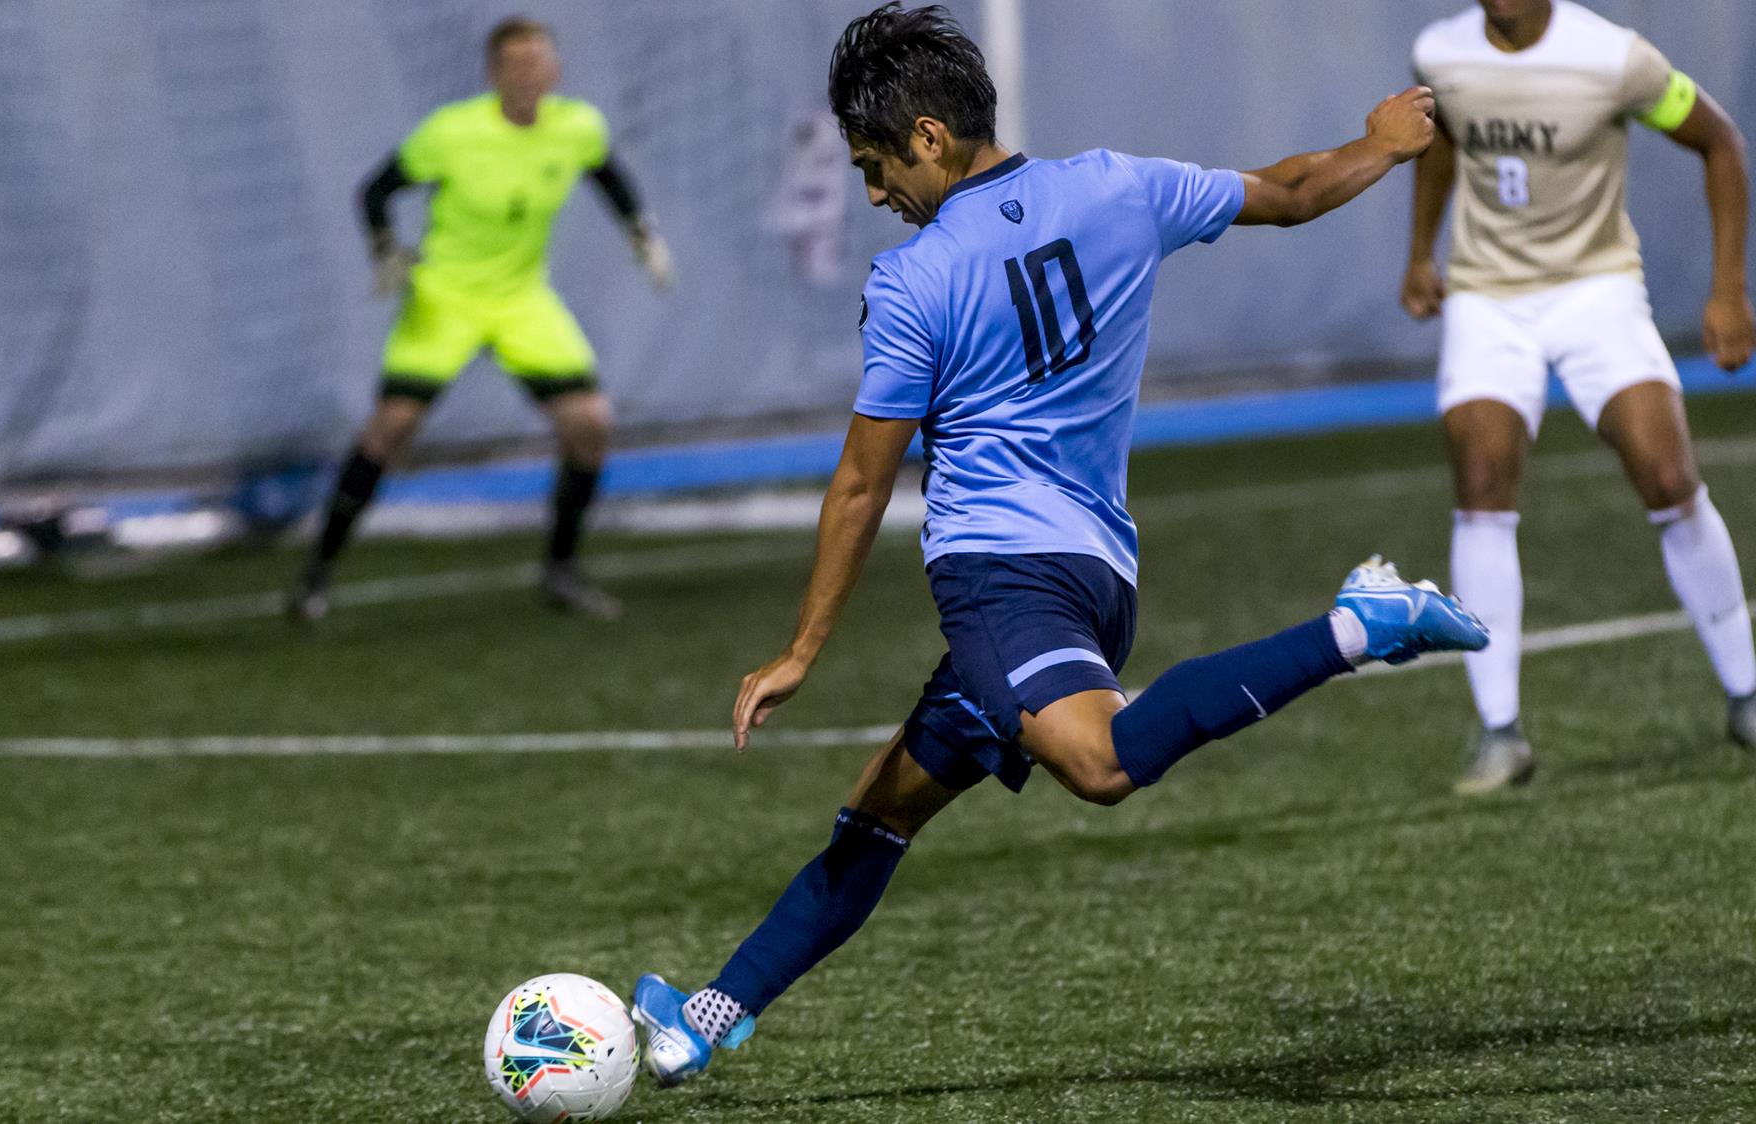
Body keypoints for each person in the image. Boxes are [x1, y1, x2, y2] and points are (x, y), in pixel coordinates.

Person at [627, 3, 1488, 1086]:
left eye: (873, 164)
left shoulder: (914, 279)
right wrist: (1380, 143)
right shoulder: (1118, 184)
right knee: (881, 808)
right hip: (1099, 574)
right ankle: (701, 1016)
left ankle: (1357, 625)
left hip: (1001, 579)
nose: (872, 193)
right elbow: (1292, 190)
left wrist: (801, 648)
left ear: (928, 136)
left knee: (1100, 760)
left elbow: (860, 481)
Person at [1404, 0, 1756, 794]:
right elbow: (1442, 145)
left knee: (1670, 478)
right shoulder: (1439, 53)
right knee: (1483, 488)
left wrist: (1730, 289)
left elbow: (1720, 142)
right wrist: (1420, 254)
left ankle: (1747, 693)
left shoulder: (1615, 58)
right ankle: (1500, 734)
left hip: (1595, 290)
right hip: (1488, 297)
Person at [288, 16, 674, 624]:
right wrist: (385, 249)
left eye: (536, 62)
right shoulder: (453, 132)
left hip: (522, 298)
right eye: (513, 65)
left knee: (590, 424)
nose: (526, 75)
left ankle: (560, 570)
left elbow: (604, 171)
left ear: (554, 69)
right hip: (447, 297)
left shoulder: (575, 127)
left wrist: (640, 231)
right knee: (388, 431)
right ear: (494, 74)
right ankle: (315, 576)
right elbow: (374, 191)